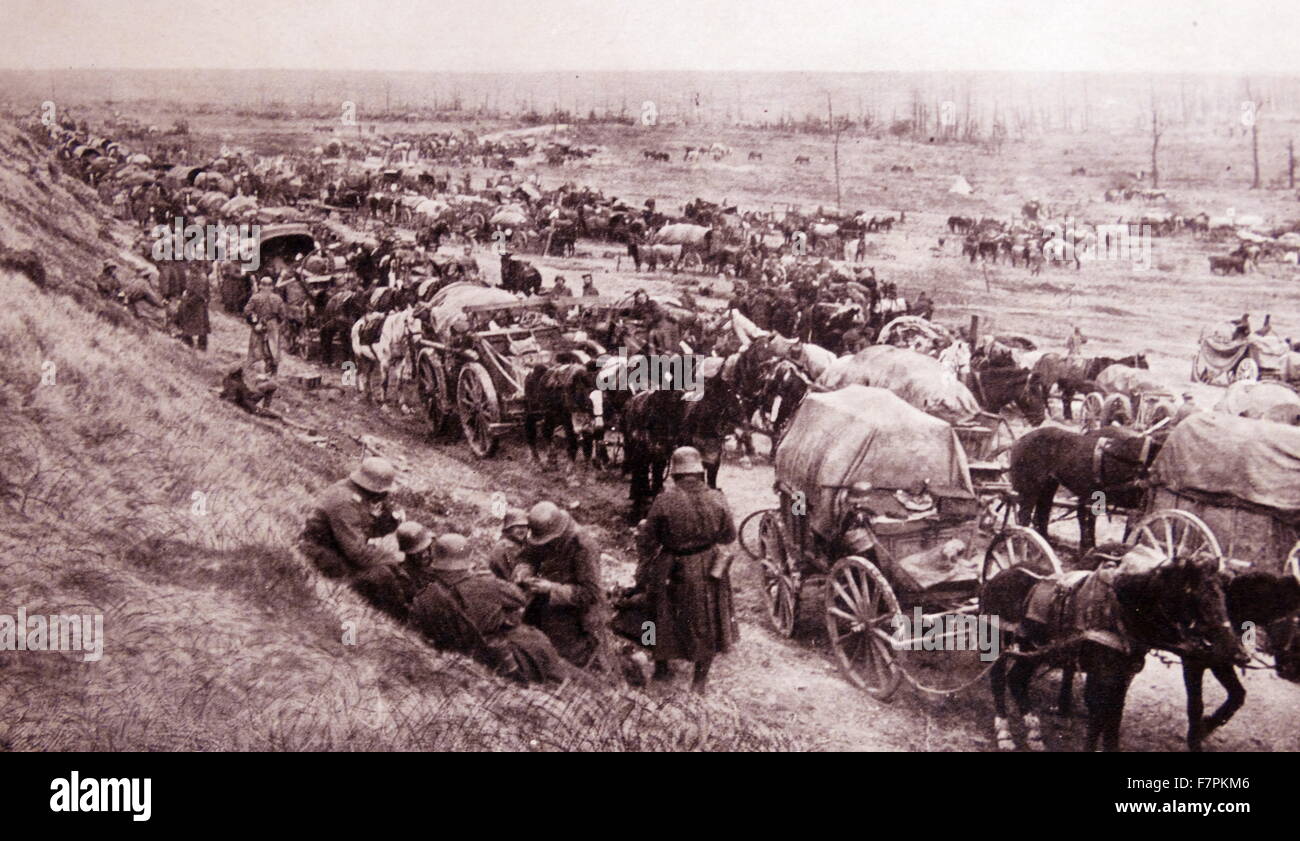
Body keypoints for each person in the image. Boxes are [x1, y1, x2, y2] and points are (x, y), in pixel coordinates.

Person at [634, 446, 738, 693]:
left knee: (657, 614)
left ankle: (660, 668)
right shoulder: (717, 498)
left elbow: (650, 539)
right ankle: (699, 681)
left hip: (672, 565)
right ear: (700, 472)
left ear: (675, 474)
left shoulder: (664, 500)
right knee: (710, 618)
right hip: (709, 566)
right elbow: (729, 536)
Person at [407, 534, 570, 684]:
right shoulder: (486, 583)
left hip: (457, 658)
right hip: (498, 659)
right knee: (536, 641)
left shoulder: (422, 598)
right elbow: (519, 598)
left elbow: (416, 636)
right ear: (466, 560)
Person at [297, 457, 409, 619]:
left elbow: (362, 530)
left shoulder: (355, 493)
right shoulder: (345, 502)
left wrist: (389, 522)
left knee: (391, 572)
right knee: (381, 575)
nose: (385, 495)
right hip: (321, 552)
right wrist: (393, 558)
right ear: (374, 488)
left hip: (338, 547)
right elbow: (357, 554)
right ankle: (400, 619)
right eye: (383, 491)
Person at [514, 501, 606, 669]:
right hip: (543, 603)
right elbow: (527, 556)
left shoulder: (583, 547)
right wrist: (523, 571)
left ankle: (633, 665)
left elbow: (591, 594)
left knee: (566, 662)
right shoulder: (544, 532)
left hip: (574, 616)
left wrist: (552, 589)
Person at [244, 276, 285, 375]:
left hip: (258, 324)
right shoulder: (278, 299)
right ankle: (273, 371)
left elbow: (247, 311)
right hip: (273, 325)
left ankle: (252, 370)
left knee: (256, 347)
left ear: (260, 286)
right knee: (273, 348)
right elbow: (282, 315)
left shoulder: (255, 298)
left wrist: (255, 322)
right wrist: (276, 323)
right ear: (272, 287)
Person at [175, 262, 211, 350]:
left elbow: (199, 293)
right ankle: (189, 340)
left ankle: (200, 345)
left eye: (193, 265)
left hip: (197, 304)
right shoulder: (194, 275)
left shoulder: (201, 277)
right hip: (195, 302)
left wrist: (188, 302)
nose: (190, 267)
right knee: (195, 324)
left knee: (200, 325)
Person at [487, 509, 530, 582]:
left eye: (524, 526)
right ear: (509, 529)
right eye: (518, 526)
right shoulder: (504, 546)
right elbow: (511, 578)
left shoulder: (521, 544)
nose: (522, 530)